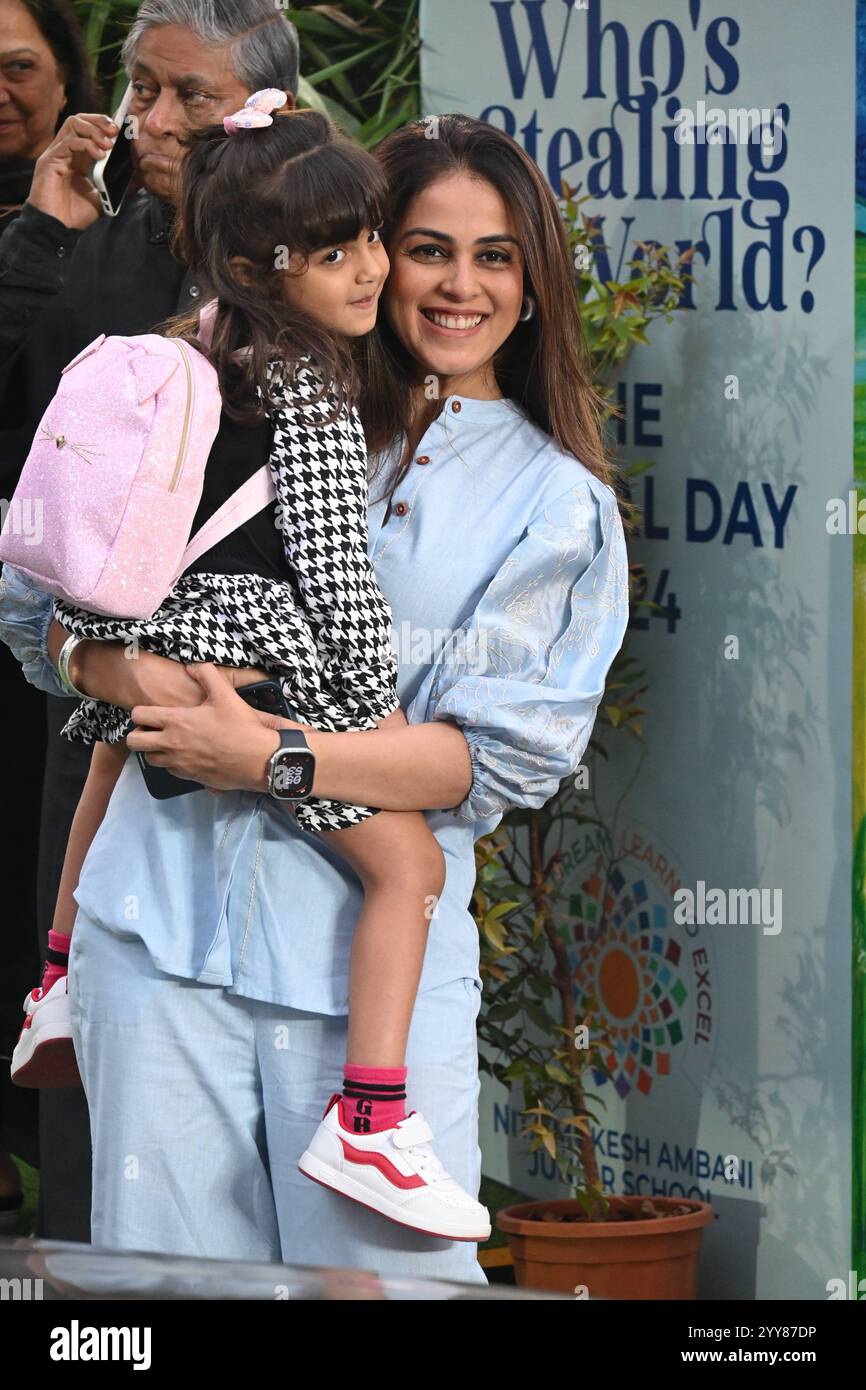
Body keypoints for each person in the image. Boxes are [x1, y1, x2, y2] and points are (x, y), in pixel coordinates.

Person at [0, 114, 630, 1282]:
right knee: (169, 1296)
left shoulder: (554, 503)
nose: (455, 283)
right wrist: (127, 672)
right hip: (151, 943)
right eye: (424, 244)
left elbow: (486, 762)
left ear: (534, 281)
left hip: (359, 992)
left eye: (494, 256)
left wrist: (269, 753)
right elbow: (43, 603)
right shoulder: (225, 396)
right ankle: (57, 980)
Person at [0, 0, 300, 1243]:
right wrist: (38, 235)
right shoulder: (105, 239)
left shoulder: (317, 247)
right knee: (89, 1042)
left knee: (250, 1101)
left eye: (190, 95)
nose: (155, 120)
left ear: (265, 108)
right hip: (87, 705)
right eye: (142, 88)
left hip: (263, 733)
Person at [0, 0, 97, 1236]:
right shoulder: (53, 223)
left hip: (70, 640)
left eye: (18, 65)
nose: (0, 88)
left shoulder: (120, 215)